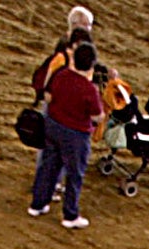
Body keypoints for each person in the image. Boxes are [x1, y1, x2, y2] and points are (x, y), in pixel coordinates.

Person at [30, 41, 99, 226]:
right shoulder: (89, 89)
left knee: (48, 166)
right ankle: (70, 215)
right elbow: (97, 116)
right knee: (74, 174)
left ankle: (38, 204)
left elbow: (49, 97)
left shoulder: (61, 76)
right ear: (91, 65)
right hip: (76, 135)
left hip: (53, 127)